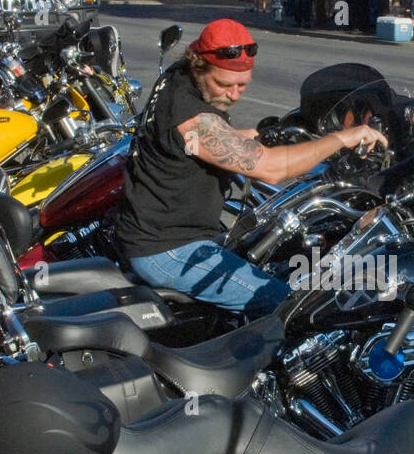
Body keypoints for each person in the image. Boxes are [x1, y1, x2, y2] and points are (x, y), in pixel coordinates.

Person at [114, 19, 388, 316]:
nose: (233, 94)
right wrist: (342, 138)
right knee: (293, 309)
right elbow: (270, 168)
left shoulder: (178, 77)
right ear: (199, 65)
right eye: (223, 84)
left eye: (242, 85)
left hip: (162, 234)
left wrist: (279, 134)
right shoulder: (189, 115)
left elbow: (221, 140)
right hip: (167, 250)